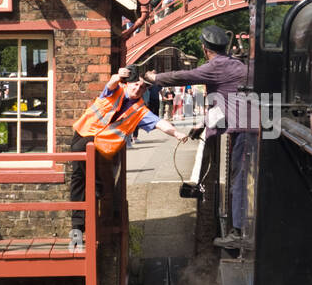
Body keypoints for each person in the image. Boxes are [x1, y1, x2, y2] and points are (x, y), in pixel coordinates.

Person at [144, 25, 252, 249]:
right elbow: (225, 102)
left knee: (239, 180)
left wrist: (154, 78)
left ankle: (239, 232)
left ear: (205, 49)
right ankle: (239, 226)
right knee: (239, 179)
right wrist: (202, 125)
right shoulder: (236, 64)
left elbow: (183, 76)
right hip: (250, 127)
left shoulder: (216, 67)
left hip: (245, 130)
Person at [69, 67, 187, 239]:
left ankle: (90, 223)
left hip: (101, 150)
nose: (137, 89)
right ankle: (78, 227)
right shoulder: (115, 91)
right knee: (79, 180)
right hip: (82, 136)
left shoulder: (140, 110)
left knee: (95, 185)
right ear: (129, 83)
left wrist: (176, 133)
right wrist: (118, 76)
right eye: (135, 85)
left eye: (142, 87)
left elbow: (159, 122)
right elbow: (111, 83)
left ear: (146, 90)